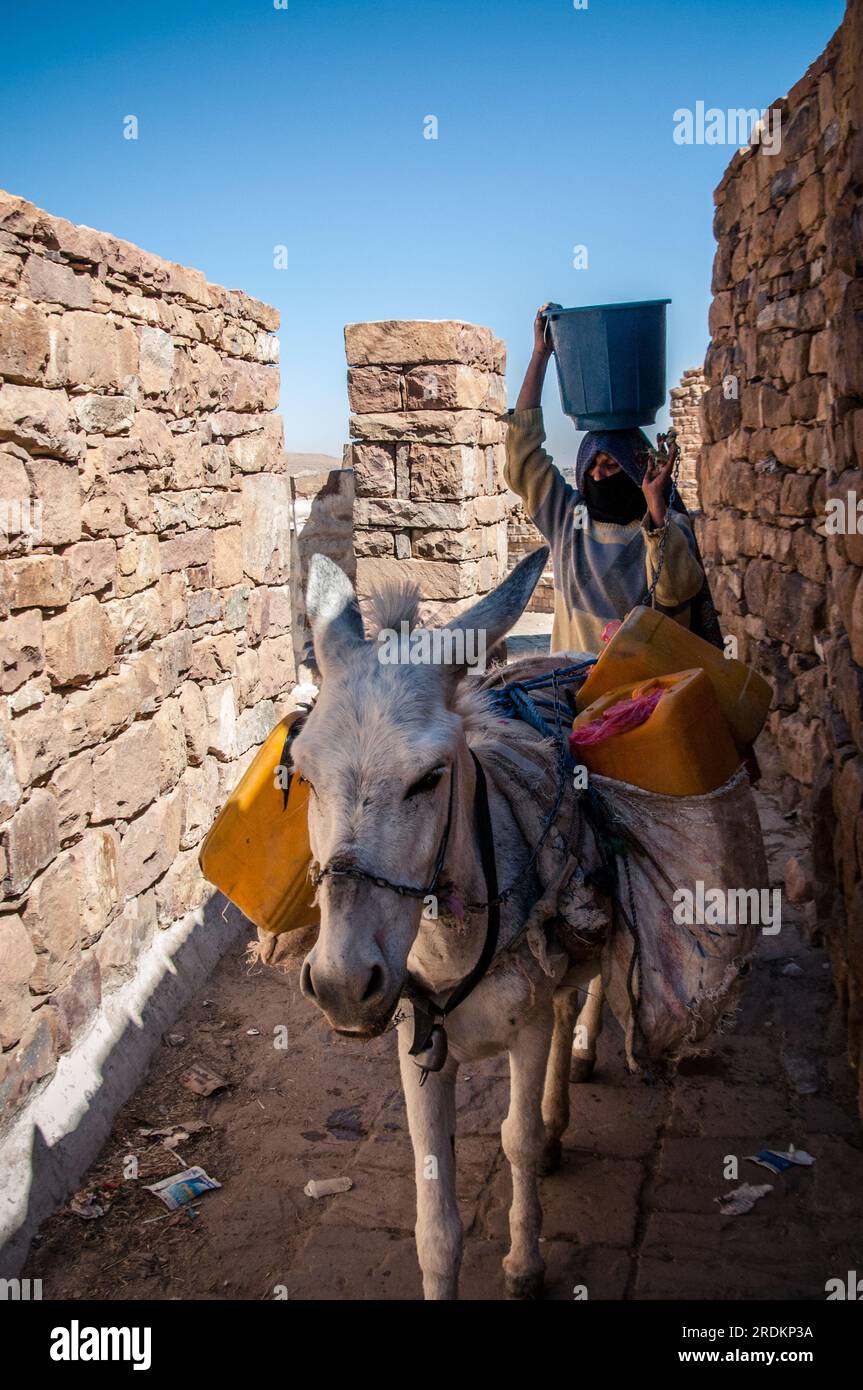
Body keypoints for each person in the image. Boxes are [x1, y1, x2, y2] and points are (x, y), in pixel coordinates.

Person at [505, 303, 722, 655]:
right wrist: (541, 356)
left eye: (611, 466)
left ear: (636, 471)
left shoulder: (669, 529)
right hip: (576, 698)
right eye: (592, 465)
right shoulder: (568, 521)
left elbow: (674, 590)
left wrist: (654, 509)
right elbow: (522, 455)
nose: (597, 475)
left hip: (645, 701)